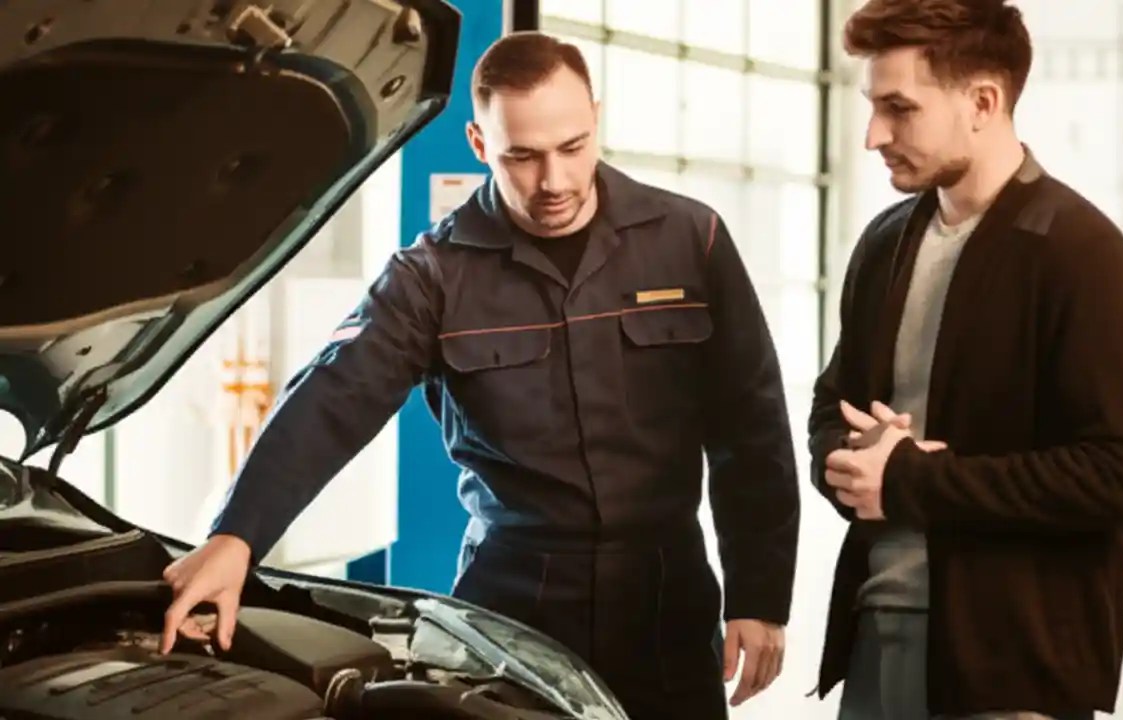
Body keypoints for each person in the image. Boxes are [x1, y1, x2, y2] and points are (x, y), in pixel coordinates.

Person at [159, 31, 799, 720]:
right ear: (477, 142)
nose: (552, 180)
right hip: (514, 605)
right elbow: (334, 395)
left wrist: (760, 596)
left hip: (665, 595)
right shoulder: (433, 275)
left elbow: (750, 424)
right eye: (521, 156)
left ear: (596, 119)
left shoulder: (689, 239)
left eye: (572, 147)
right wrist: (237, 536)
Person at [808, 1, 1123, 719]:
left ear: (983, 102)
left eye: (899, 108)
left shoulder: (1079, 252)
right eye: (872, 106)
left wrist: (915, 480)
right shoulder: (885, 243)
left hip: (1010, 668)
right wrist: (846, 462)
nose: (874, 135)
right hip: (873, 635)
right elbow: (832, 402)